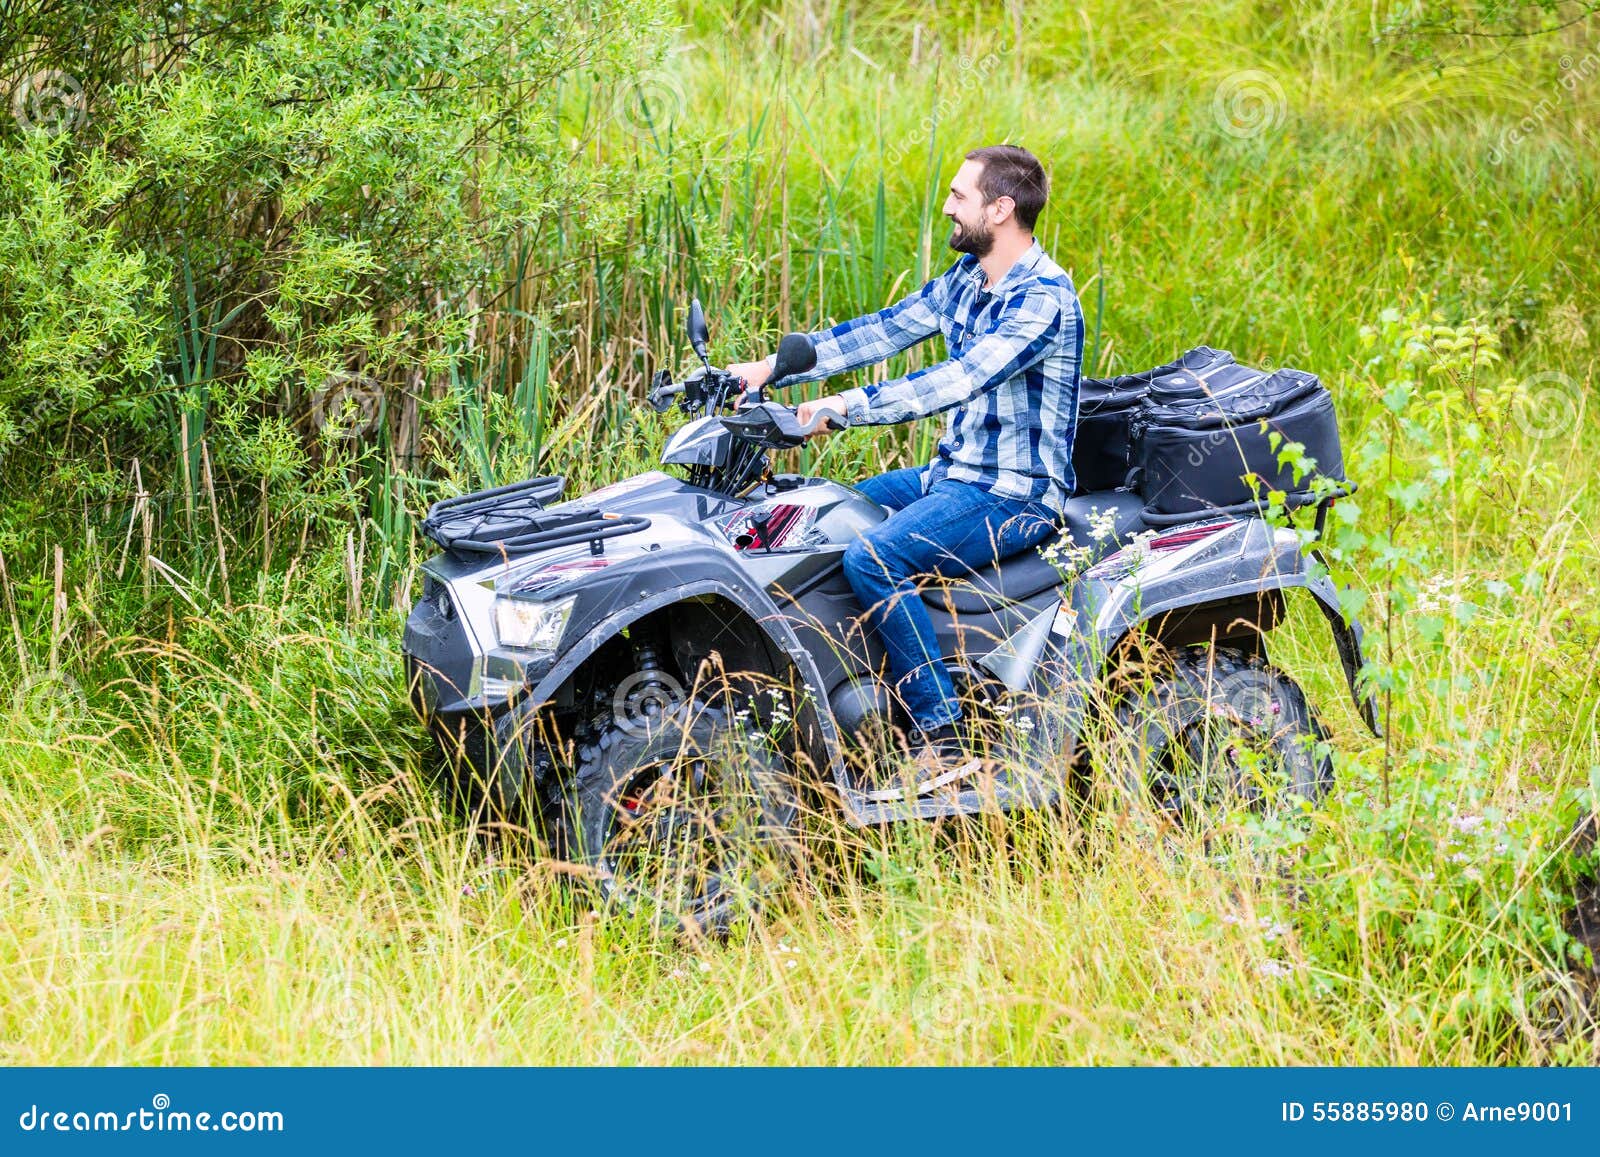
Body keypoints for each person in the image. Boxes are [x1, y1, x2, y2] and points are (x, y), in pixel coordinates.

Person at [728, 144, 1083, 786]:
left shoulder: (1043, 300)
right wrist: (770, 368)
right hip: (954, 474)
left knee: (876, 557)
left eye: (959, 196)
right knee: (825, 515)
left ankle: (943, 737)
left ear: (1000, 209)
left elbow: (955, 381)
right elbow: (883, 331)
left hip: (1015, 495)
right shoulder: (968, 281)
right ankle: (861, 710)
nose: (946, 207)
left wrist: (839, 409)